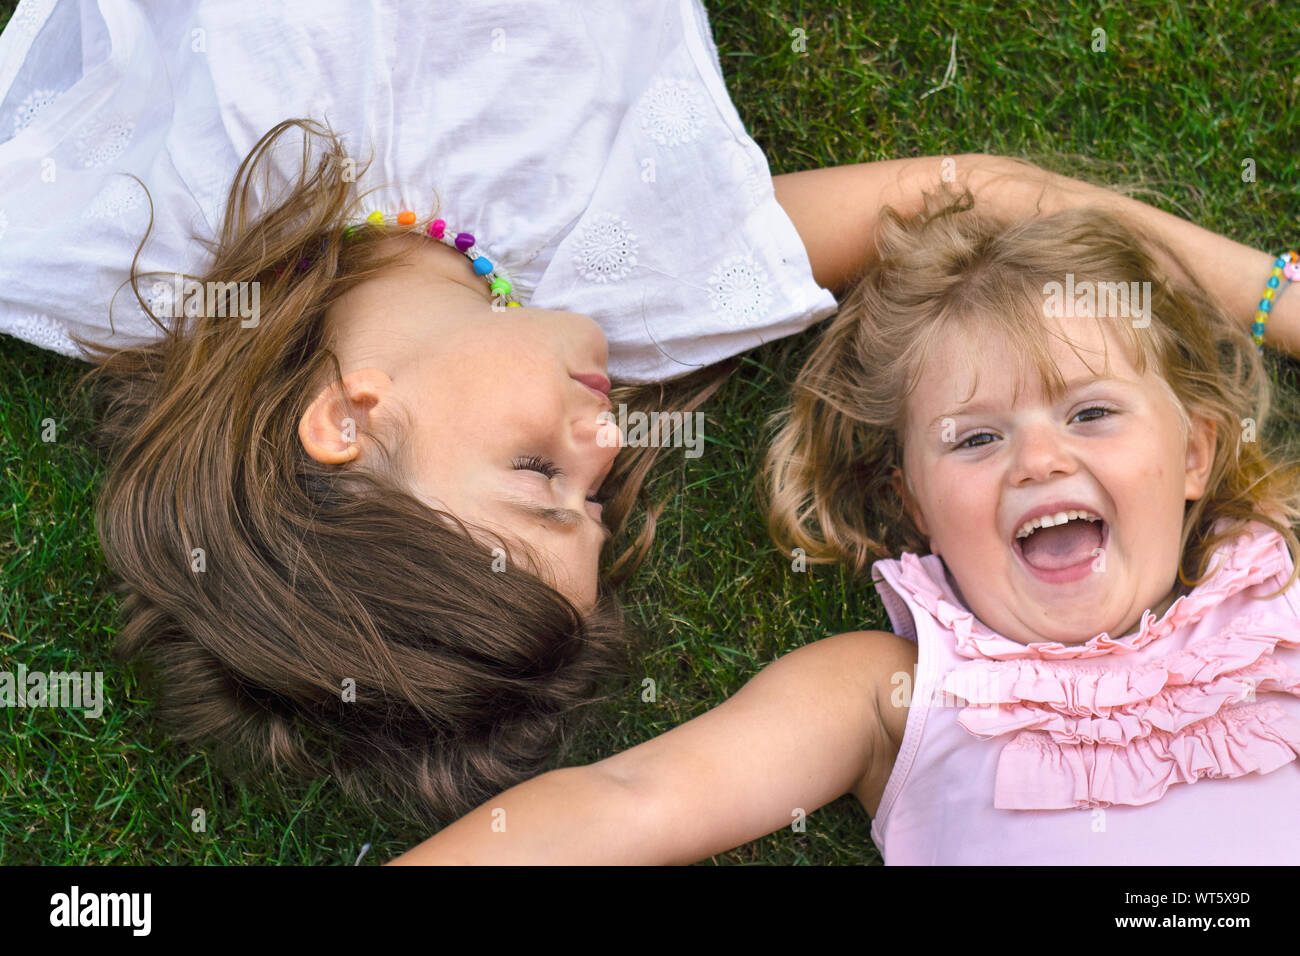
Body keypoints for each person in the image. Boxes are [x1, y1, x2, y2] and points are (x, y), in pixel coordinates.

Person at [0, 1, 1294, 824]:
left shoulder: (125, 238)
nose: (609, 444)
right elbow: (976, 192)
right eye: (595, 503)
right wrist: (1284, 300)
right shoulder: (654, 280)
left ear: (346, 421)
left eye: (532, 476)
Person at [390, 191, 1300, 864]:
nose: (1040, 462)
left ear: (1195, 456)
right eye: (977, 437)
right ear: (919, 507)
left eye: (1092, 414)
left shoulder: (1278, 586)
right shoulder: (894, 692)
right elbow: (629, 800)